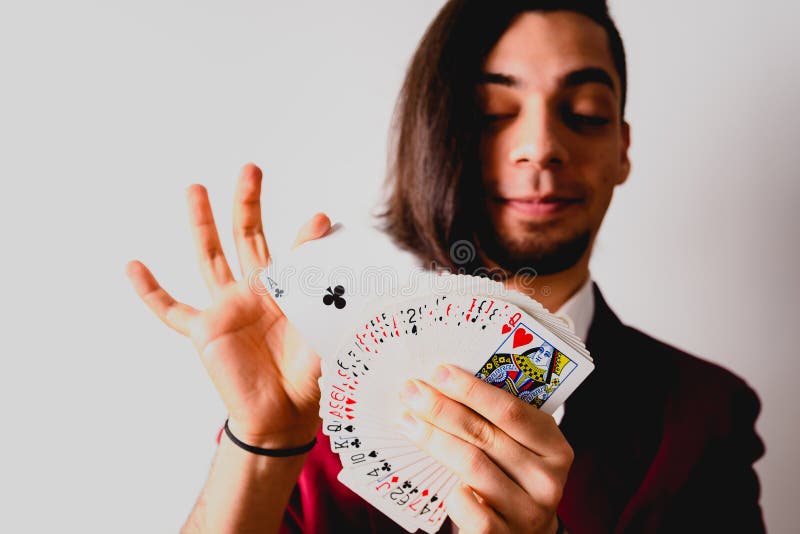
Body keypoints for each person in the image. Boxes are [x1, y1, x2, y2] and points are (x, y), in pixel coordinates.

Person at [126, 1, 765, 532]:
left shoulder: (707, 415)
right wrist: (260, 441)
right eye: (493, 115)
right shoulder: (314, 385)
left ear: (622, 147)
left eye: (586, 113)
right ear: (440, 133)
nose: (541, 146)